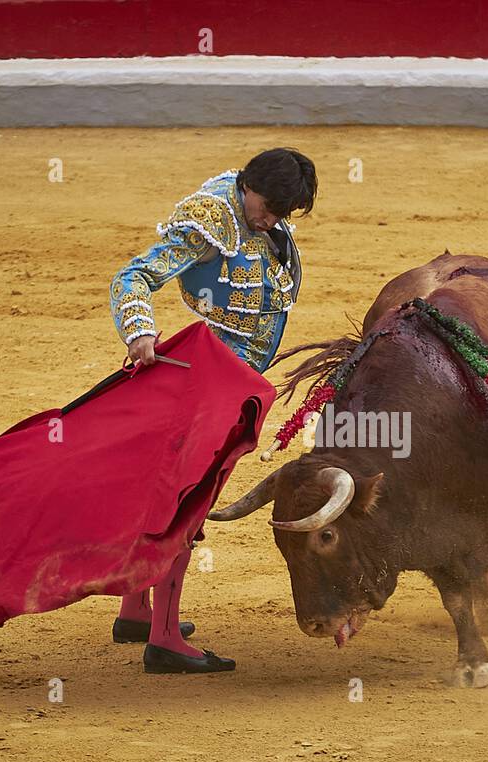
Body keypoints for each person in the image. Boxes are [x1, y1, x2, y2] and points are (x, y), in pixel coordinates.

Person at [108, 148, 317, 674]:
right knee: (187, 503)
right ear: (248, 185)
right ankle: (164, 639)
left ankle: (136, 610)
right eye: (267, 207)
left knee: (169, 494)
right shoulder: (209, 223)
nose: (270, 220)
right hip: (205, 387)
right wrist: (140, 331)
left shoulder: (260, 215)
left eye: (281, 214)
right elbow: (132, 277)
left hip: (229, 383)